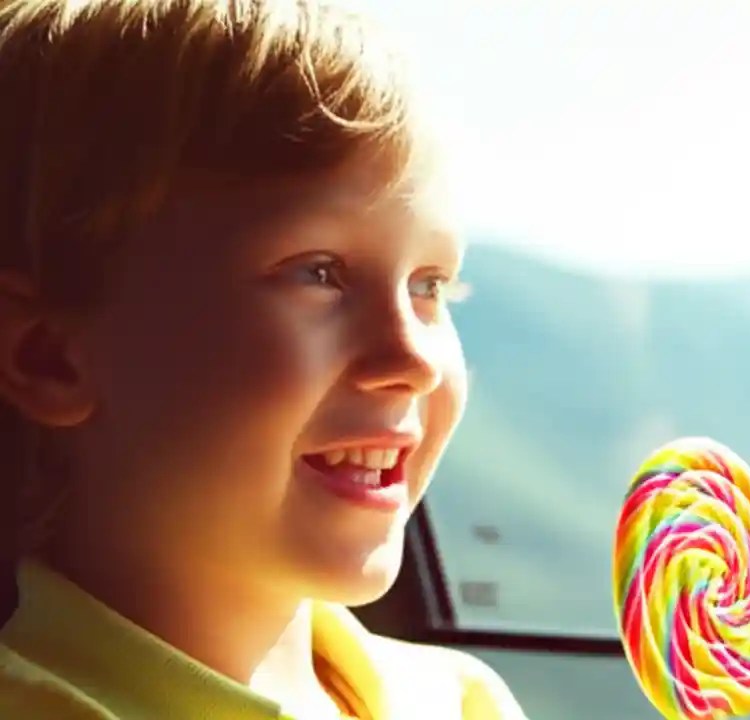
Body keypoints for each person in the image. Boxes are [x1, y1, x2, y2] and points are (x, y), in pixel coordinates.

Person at [0, 1, 527, 717]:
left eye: (430, 286)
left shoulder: (461, 699)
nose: (413, 360)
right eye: (319, 272)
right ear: (49, 357)